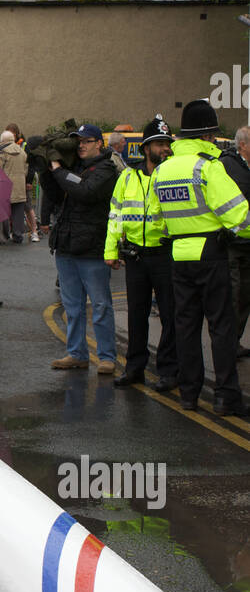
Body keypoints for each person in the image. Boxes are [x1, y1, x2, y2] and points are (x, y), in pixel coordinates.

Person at [150, 100, 250, 416]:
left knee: (186, 327)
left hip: (178, 256)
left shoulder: (163, 170)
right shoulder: (208, 167)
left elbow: (155, 221)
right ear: (207, 136)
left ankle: (189, 395)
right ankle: (225, 397)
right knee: (221, 327)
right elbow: (240, 218)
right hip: (212, 253)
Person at [104, 115, 178, 392]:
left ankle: (169, 371)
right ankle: (135, 368)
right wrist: (111, 250)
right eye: (159, 144)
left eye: (167, 143)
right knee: (137, 314)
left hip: (165, 253)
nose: (165, 149)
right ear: (146, 148)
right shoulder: (127, 176)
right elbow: (115, 214)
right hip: (135, 255)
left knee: (170, 315)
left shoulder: (172, 175)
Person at [39, 124, 118, 374]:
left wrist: (58, 169)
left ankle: (106, 357)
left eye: (86, 141)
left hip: (92, 247)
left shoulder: (106, 169)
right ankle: (77, 353)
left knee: (101, 305)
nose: (81, 145)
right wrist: (44, 169)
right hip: (67, 245)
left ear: (99, 143)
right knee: (72, 306)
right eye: (78, 141)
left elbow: (84, 190)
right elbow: (54, 194)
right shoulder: (73, 167)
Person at [219, 128, 250, 360]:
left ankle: (235, 340)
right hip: (232, 242)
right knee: (233, 293)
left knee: (245, 295)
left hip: (248, 243)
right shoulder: (227, 165)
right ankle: (227, 344)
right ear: (243, 145)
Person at [0, 130, 28, 243]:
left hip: (6, 186)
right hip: (20, 185)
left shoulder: (2, 152)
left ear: (2, 140)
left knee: (4, 211)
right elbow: (25, 169)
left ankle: (5, 235)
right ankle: (18, 235)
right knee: (18, 212)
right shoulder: (22, 152)